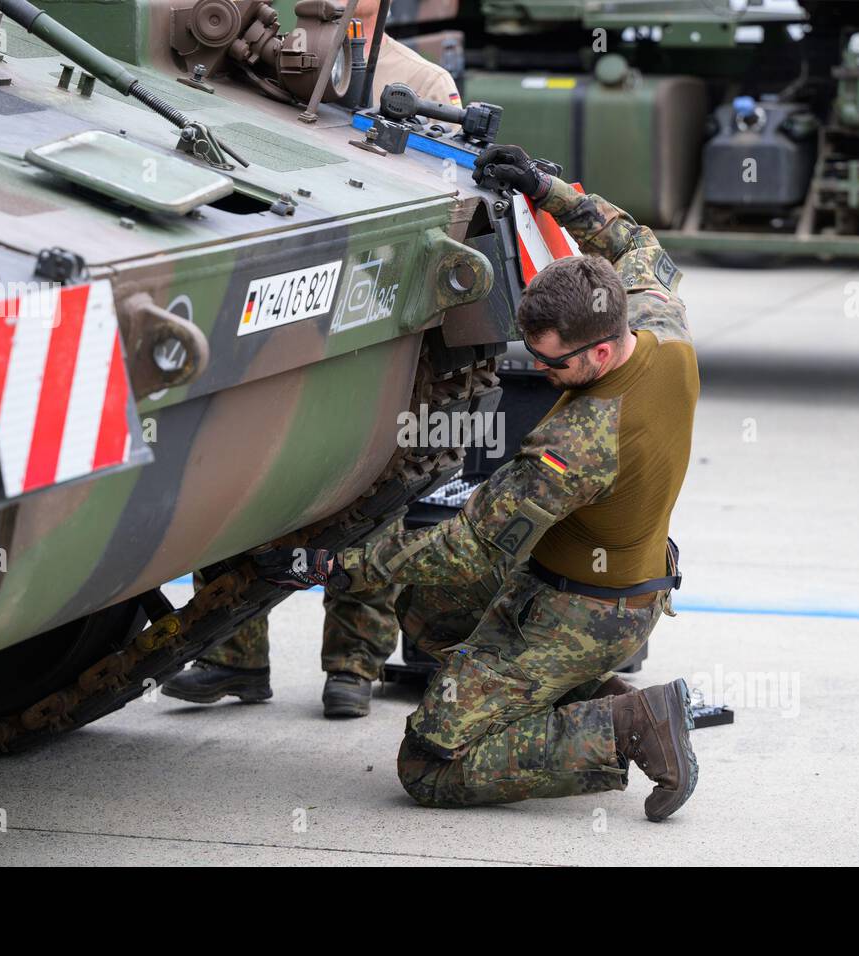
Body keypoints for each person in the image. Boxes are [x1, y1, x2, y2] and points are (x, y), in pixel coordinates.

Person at [255, 145, 701, 820]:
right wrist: (544, 188)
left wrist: (336, 565)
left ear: (600, 351)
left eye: (551, 364)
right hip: (615, 578)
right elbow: (630, 239)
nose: (541, 374)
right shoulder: (657, 320)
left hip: (583, 610)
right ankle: (589, 695)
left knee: (431, 766)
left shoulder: (572, 446)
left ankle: (628, 725)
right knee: (433, 612)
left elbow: (469, 548)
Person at [161, 12, 462, 719]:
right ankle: (232, 653)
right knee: (236, 473)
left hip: (374, 300)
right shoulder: (255, 54)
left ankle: (351, 666)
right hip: (279, 294)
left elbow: (450, 191)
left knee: (369, 501)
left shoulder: (418, 81)